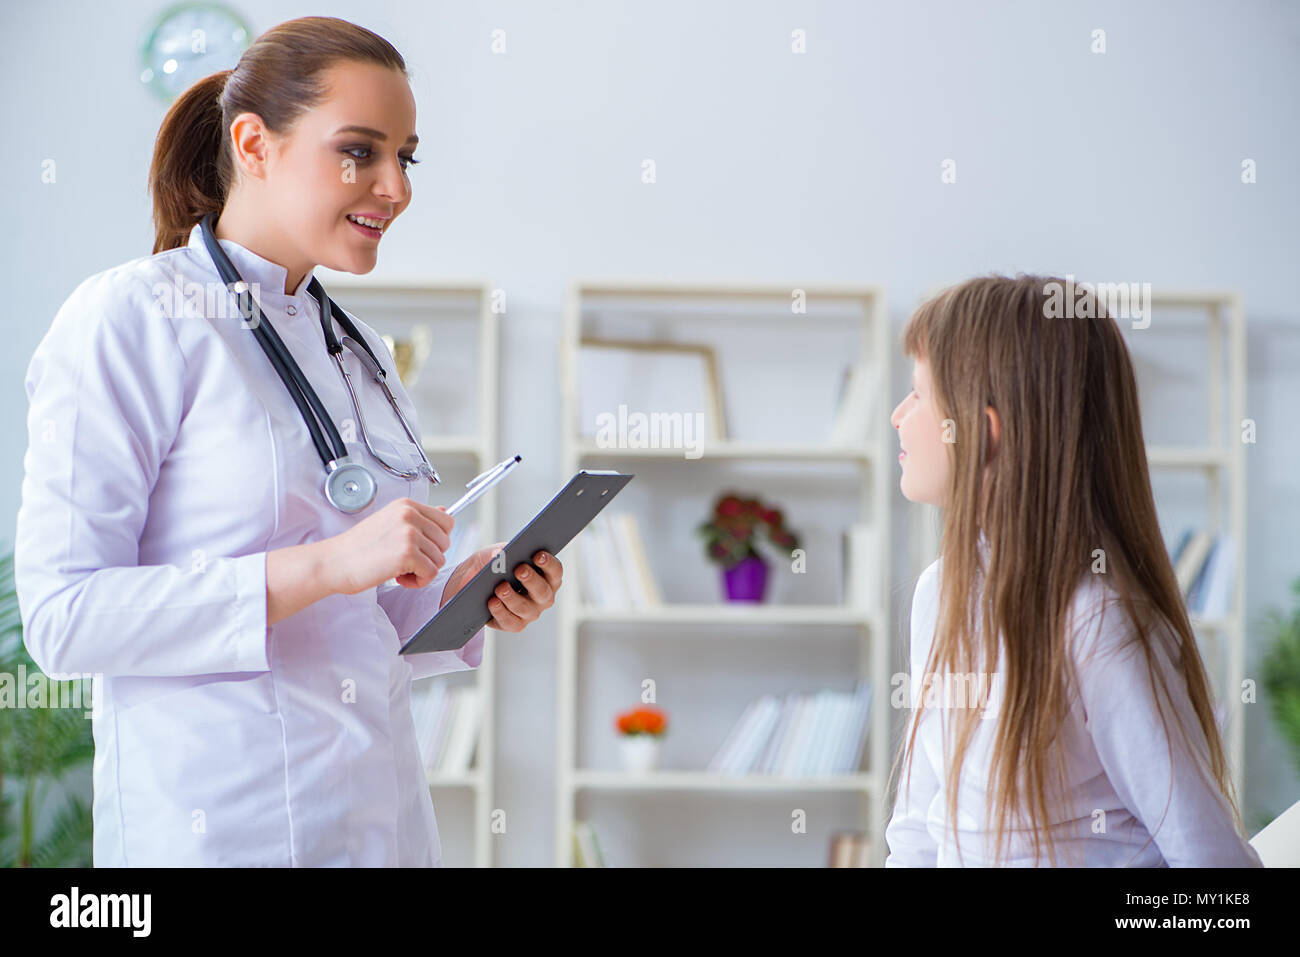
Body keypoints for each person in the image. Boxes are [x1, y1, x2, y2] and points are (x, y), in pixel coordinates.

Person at [13, 16, 562, 867]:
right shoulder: (130, 317)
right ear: (253, 144)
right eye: (360, 152)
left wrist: (456, 597)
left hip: (379, 824)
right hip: (224, 829)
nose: (396, 188)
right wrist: (331, 563)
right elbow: (64, 617)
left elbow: (358, 618)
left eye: (406, 158)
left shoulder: (362, 351)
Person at [883, 275, 1261, 867]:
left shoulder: (1096, 622)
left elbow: (1216, 867)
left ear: (983, 432)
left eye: (918, 394)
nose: (896, 415)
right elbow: (916, 831)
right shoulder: (939, 594)